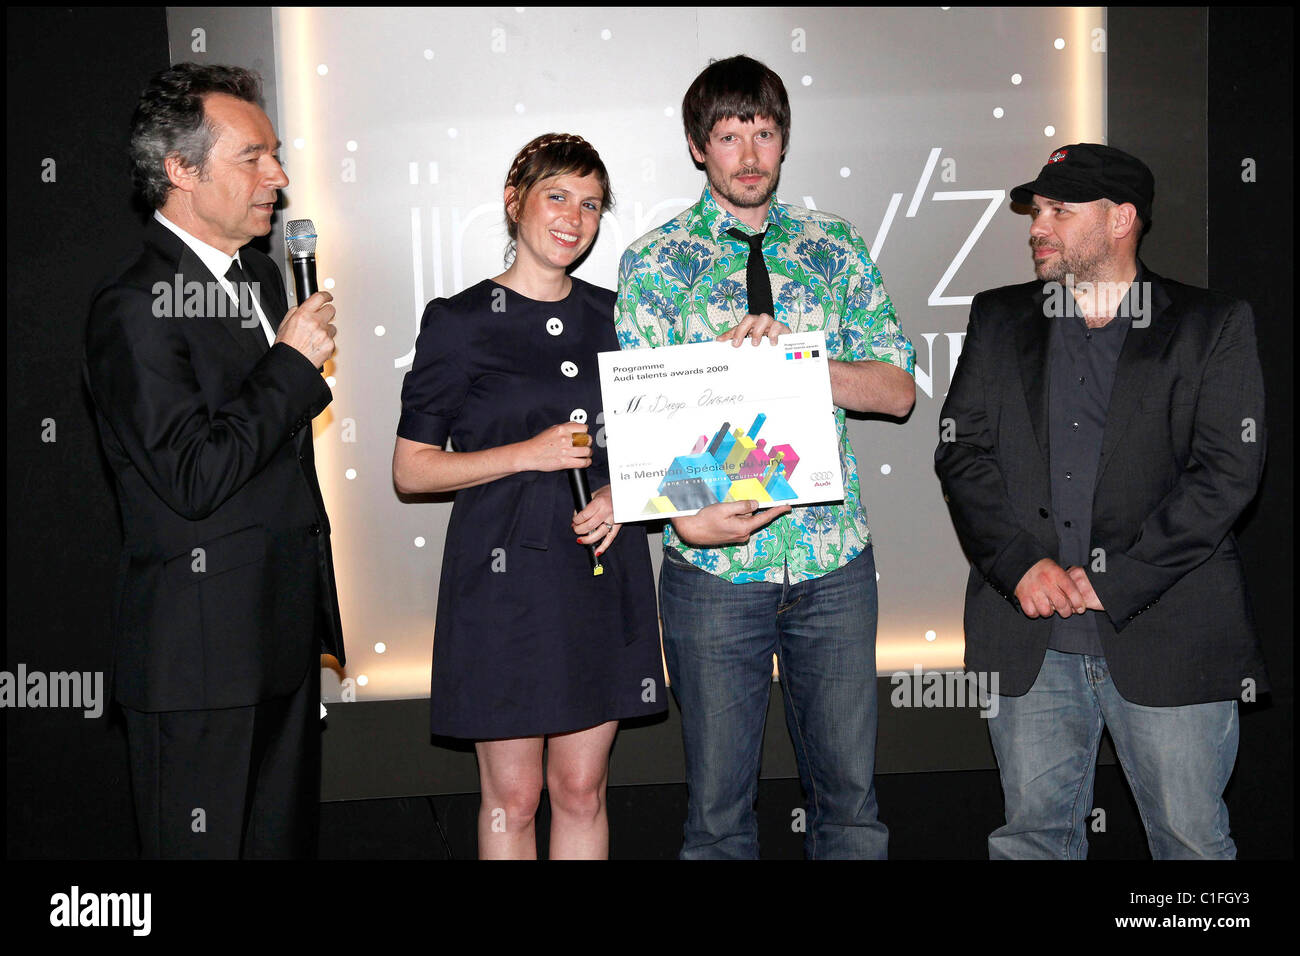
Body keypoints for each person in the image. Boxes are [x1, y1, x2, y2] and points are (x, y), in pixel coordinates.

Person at [615, 55, 915, 859]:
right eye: (728, 135)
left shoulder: (835, 247)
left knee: (850, 807)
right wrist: (689, 516)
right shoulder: (653, 262)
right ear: (696, 146)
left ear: (784, 142)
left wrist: (804, 363)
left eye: (764, 133)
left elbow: (897, 392)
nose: (749, 155)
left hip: (832, 564)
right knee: (717, 817)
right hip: (712, 575)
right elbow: (641, 433)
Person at [935, 143, 1269, 859]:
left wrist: (1114, 581)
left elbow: (1225, 476)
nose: (1037, 227)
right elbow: (962, 452)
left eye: (1060, 210)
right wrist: (1020, 565)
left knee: (1192, 847)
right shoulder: (999, 318)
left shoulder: (1211, 324)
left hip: (1169, 635)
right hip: (1030, 642)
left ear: (1121, 219)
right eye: (1037, 210)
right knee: (1032, 843)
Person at [83, 63, 344, 859]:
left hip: (280, 645)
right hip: (199, 666)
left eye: (276, 155)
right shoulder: (134, 306)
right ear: (181, 172)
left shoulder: (260, 277)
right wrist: (293, 368)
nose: (280, 176)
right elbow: (193, 475)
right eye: (254, 158)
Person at [393, 133, 666, 860]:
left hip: (599, 572)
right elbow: (412, 470)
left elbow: (664, 443)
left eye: (591, 204)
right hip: (501, 583)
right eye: (557, 196)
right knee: (512, 801)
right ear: (515, 202)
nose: (573, 218)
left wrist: (625, 492)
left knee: (582, 789)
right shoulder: (459, 321)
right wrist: (527, 455)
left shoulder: (620, 315)